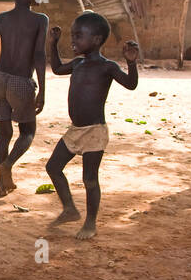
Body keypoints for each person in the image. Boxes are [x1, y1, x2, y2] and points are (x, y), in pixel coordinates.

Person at [45, 13, 138, 239]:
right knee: (53, 167)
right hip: (75, 130)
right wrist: (53, 44)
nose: (73, 41)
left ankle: (90, 223)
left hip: (95, 131)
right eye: (72, 36)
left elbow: (131, 84)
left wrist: (132, 63)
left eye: (78, 36)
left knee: (89, 179)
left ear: (96, 40)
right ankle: (69, 208)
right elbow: (56, 68)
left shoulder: (107, 67)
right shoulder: (78, 63)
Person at [0, 0, 48, 197]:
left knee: (3, 134)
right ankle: (8, 164)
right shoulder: (40, 20)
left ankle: (2, 184)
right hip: (21, 82)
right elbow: (39, 55)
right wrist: (42, 90)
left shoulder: (2, 18)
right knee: (28, 131)